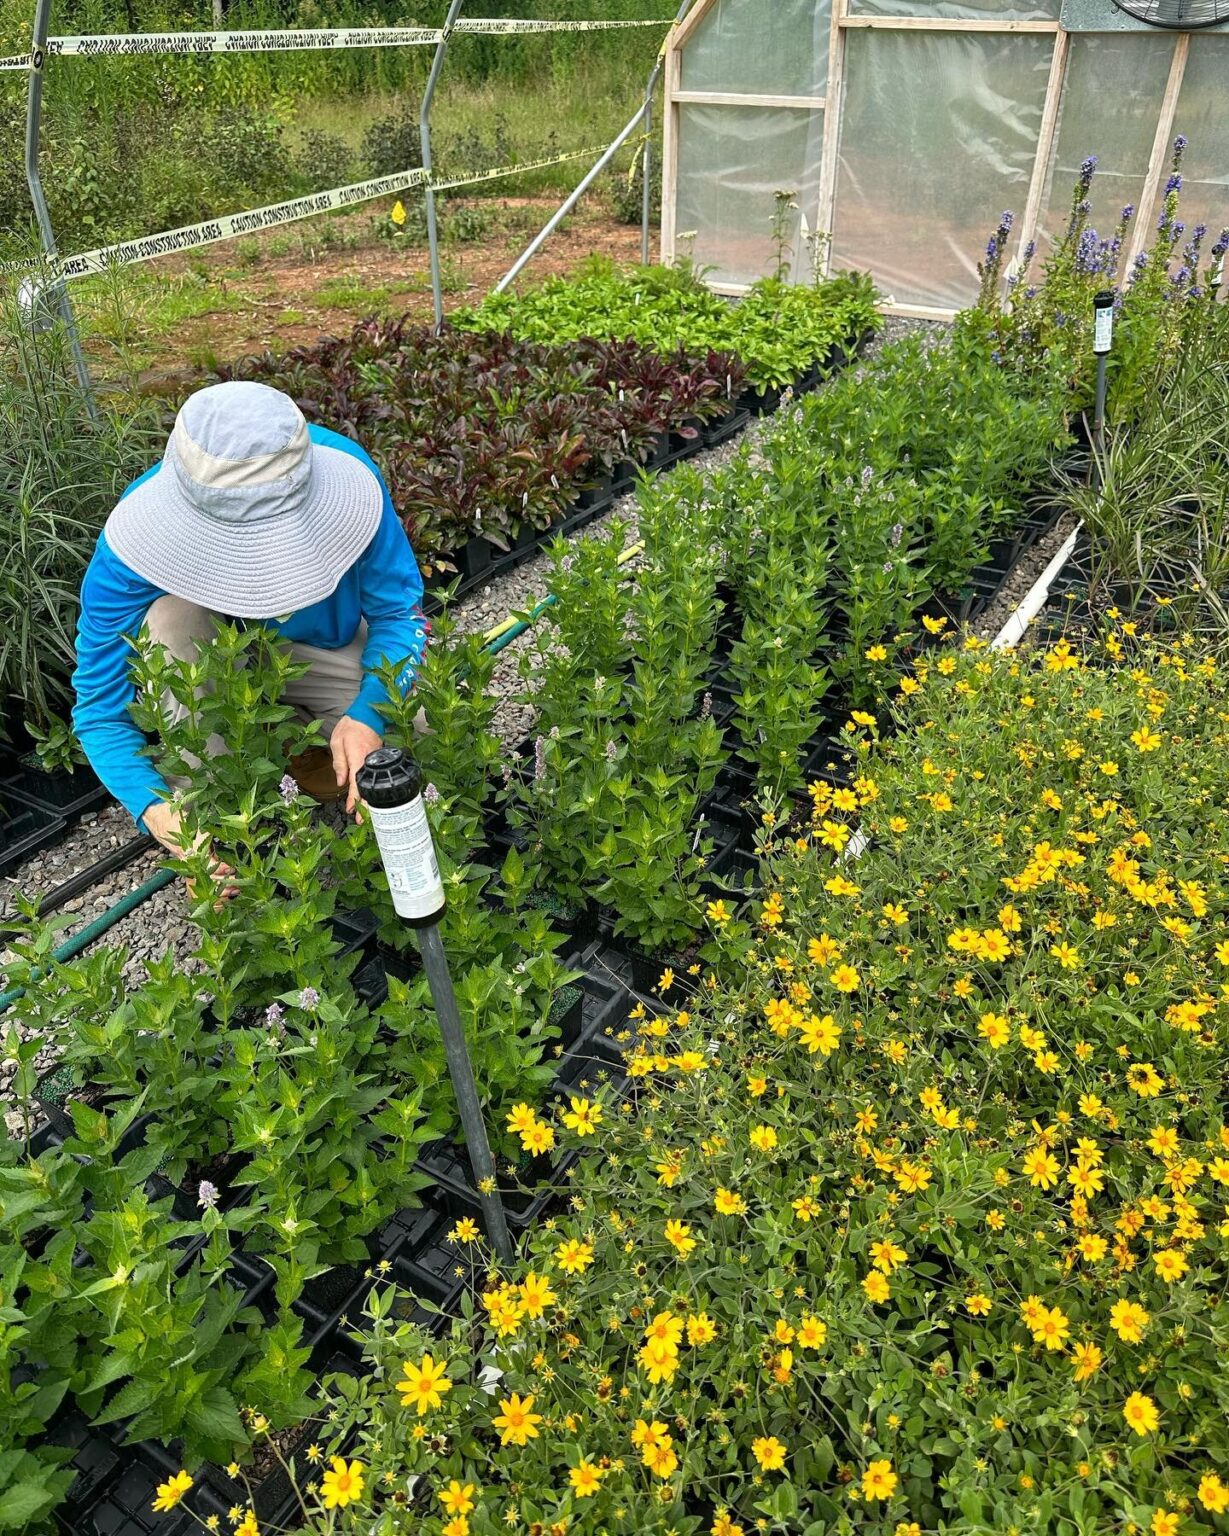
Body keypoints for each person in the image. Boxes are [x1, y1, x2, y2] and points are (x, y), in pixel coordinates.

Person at [72, 379, 428, 863]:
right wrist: (152, 808)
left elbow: (399, 615)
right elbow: (98, 709)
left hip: (309, 651)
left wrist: (368, 715)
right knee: (170, 619)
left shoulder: (351, 474)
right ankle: (222, 807)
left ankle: (299, 746)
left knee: (423, 731)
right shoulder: (128, 551)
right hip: (206, 666)